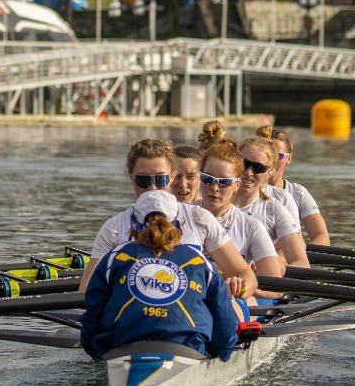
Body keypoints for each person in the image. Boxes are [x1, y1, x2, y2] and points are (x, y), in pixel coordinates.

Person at [80, 138, 258, 298]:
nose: (152, 188)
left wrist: (240, 288)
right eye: (143, 180)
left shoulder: (198, 219)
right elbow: (86, 291)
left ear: (172, 177)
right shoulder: (114, 228)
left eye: (161, 179)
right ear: (131, 178)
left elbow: (244, 272)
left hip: (190, 317)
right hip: (133, 321)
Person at [79, 190, 239, 362]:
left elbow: (93, 312)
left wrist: (94, 350)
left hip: (120, 351)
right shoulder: (198, 261)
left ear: (133, 225)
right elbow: (226, 323)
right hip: (188, 351)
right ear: (177, 225)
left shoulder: (115, 257)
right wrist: (222, 352)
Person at [192, 133, 284, 281]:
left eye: (224, 182)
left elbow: (276, 289)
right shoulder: (180, 216)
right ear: (199, 178)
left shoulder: (251, 227)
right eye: (208, 179)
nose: (214, 188)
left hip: (233, 299)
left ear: (237, 185)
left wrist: (241, 288)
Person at [229, 122, 309, 269]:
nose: (248, 172)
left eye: (258, 168)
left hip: (255, 284)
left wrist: (273, 265)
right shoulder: (210, 197)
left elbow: (302, 264)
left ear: (270, 171)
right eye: (244, 163)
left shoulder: (275, 209)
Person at [261, 126, 330, 246]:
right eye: (266, 155)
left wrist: (298, 254)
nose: (271, 161)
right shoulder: (239, 190)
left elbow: (321, 237)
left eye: (278, 155)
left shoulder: (298, 193)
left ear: (289, 159)